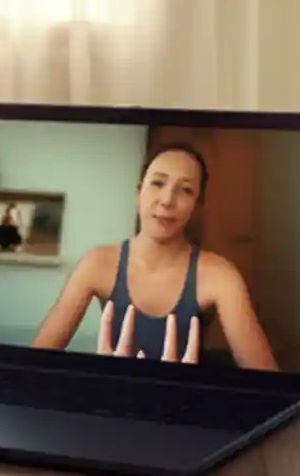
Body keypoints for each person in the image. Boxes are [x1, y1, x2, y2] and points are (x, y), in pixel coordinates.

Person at [32, 143, 280, 370]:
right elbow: (33, 364)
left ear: (196, 206)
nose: (167, 200)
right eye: (157, 183)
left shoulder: (220, 275)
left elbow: (270, 384)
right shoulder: (97, 263)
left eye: (185, 190)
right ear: (138, 194)